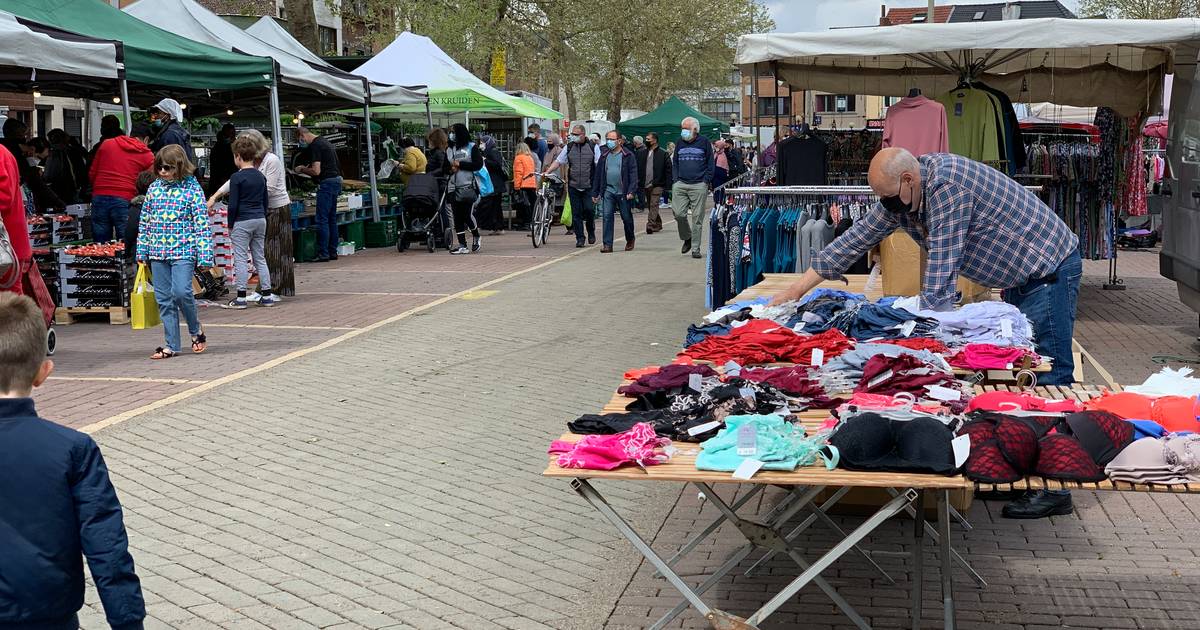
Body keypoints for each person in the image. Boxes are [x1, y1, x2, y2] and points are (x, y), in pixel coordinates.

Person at [770, 147, 1082, 518]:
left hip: (1048, 272)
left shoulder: (948, 185)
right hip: (1022, 279)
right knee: (1021, 386)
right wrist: (796, 289)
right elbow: (854, 239)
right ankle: (1021, 474)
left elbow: (942, 269)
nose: (886, 206)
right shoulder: (903, 197)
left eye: (888, 197)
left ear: (908, 180)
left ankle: (1057, 484)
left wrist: (927, 340)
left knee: (1049, 380)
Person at [0, 293, 146, 630]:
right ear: (43, 371)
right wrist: (128, 621)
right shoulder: (73, 449)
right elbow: (106, 545)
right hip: (48, 613)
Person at [137, 145, 212, 359]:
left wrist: (205, 255)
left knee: (181, 292)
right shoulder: (154, 188)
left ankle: (195, 330)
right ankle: (171, 345)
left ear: (179, 167)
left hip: (184, 249)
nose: (163, 172)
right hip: (157, 251)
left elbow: (201, 223)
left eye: (168, 168)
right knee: (163, 298)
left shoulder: (193, 188)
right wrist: (142, 251)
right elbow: (145, 222)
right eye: (160, 168)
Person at [210, 130, 293, 297]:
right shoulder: (250, 163)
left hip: (276, 208)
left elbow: (266, 189)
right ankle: (265, 290)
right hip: (260, 211)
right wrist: (215, 195)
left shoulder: (271, 160)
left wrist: (244, 201)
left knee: (274, 250)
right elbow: (234, 181)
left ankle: (272, 289)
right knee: (262, 253)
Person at [221, 135, 277, 309]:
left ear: (238, 156)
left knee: (241, 257)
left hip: (242, 220)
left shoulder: (237, 178)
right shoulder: (260, 176)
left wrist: (230, 225)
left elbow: (233, 204)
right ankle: (267, 295)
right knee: (260, 257)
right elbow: (265, 201)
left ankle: (241, 297)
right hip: (260, 219)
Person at [89, 122, 154, 243]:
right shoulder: (147, 155)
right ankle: (124, 261)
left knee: (100, 243)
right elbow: (148, 181)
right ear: (146, 139)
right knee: (125, 241)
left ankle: (101, 260)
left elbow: (93, 172)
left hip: (99, 196)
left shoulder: (107, 144)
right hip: (125, 198)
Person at [295, 125, 342, 262]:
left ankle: (323, 253)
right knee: (331, 219)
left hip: (327, 183)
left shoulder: (315, 145)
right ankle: (333, 252)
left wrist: (302, 169)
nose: (301, 143)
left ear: (302, 136)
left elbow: (316, 171)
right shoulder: (325, 142)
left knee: (322, 219)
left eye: (299, 140)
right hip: (336, 181)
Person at [545, 124, 597, 247]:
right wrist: (548, 171)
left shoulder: (593, 147)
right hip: (573, 186)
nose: (572, 136)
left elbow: (599, 164)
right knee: (576, 213)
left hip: (589, 186)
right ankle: (580, 238)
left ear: (583, 135)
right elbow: (558, 162)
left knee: (589, 210)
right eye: (572, 134)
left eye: (575, 134)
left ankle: (591, 231)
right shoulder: (568, 147)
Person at [671, 116, 714, 259]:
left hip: (699, 184)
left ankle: (695, 248)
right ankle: (687, 237)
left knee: (697, 218)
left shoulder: (704, 142)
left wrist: (706, 181)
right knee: (679, 214)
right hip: (681, 183)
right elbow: (675, 162)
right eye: (682, 129)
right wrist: (675, 180)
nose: (683, 132)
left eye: (686, 129)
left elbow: (710, 163)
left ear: (695, 129)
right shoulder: (679, 143)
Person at [591, 130, 637, 253]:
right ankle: (607, 244)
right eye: (607, 139)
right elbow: (598, 175)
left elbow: (633, 175)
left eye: (612, 139)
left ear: (620, 141)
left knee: (626, 217)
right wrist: (595, 193)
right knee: (606, 217)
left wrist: (631, 190)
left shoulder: (628, 155)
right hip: (608, 191)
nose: (609, 142)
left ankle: (630, 238)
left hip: (624, 192)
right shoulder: (604, 156)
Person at [444, 122, 483, 255]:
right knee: (457, 217)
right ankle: (462, 245)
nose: (451, 134)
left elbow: (478, 165)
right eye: (450, 132)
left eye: (453, 132)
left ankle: (476, 235)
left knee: (466, 215)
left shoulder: (471, 147)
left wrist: (461, 164)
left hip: (468, 186)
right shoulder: (449, 150)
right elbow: (445, 167)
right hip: (452, 187)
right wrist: (450, 169)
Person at [637, 132, 672, 234]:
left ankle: (650, 224)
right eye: (646, 139)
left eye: (649, 139)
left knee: (654, 203)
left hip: (658, 183)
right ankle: (658, 223)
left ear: (655, 140)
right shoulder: (642, 153)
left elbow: (668, 169)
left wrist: (668, 185)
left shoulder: (663, 153)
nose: (647, 141)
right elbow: (639, 168)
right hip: (645, 183)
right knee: (651, 205)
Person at [44, 129, 86, 205]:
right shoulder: (74, 151)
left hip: (59, 189)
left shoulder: (53, 153)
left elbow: (48, 175)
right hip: (74, 188)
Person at [148, 98, 195, 163]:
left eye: (159, 113)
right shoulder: (176, 131)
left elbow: (168, 162)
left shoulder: (170, 135)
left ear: (168, 115)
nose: (156, 117)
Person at [478, 134, 508, 235]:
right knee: (496, 206)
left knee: (489, 204)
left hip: (494, 184)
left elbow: (496, 165)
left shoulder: (492, 152)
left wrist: (485, 161)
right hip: (494, 183)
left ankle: (488, 225)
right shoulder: (488, 152)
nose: (480, 145)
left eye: (482, 142)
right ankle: (498, 227)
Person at [124, 169, 156, 257]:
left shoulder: (136, 208)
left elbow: (130, 232)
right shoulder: (162, 206)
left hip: (140, 253)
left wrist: (126, 252)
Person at [206, 123, 237, 197]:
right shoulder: (221, 147)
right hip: (221, 179)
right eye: (231, 134)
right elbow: (219, 165)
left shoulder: (221, 146)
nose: (233, 137)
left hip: (225, 178)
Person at [512, 142, 537, 229]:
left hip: (523, 184)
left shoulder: (518, 158)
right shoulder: (530, 158)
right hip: (532, 184)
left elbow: (519, 173)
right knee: (531, 204)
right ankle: (531, 222)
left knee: (523, 205)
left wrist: (516, 186)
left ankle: (525, 223)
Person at [425, 128, 450, 197]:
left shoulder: (438, 153)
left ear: (435, 141)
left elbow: (443, 168)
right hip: (435, 183)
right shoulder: (435, 153)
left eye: (430, 141)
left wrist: (430, 174)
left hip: (438, 184)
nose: (428, 142)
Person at [711, 139, 730, 206]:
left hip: (720, 177)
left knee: (720, 192)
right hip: (714, 177)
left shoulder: (723, 155)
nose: (715, 147)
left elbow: (724, 168)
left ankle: (720, 203)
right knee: (716, 192)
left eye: (717, 146)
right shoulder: (715, 154)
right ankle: (716, 203)